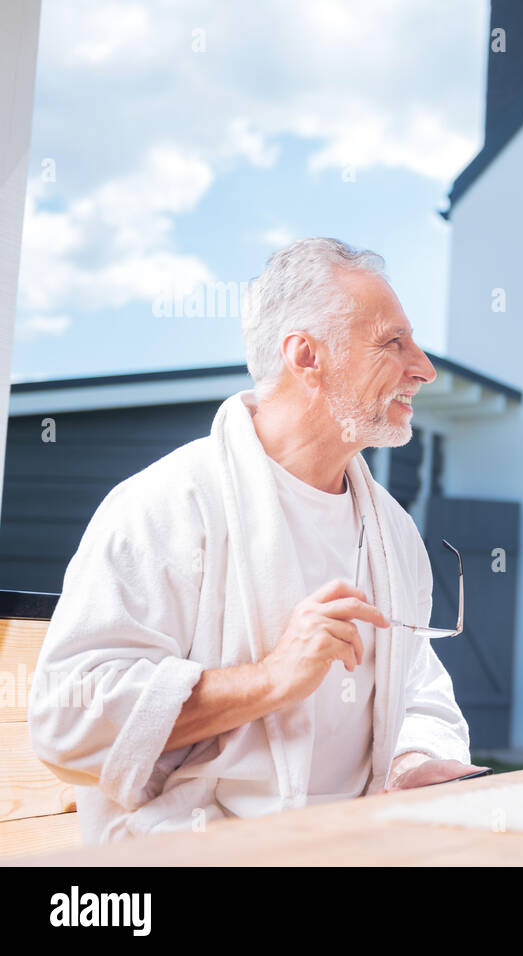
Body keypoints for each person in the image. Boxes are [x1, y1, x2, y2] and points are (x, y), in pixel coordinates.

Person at [29, 238, 486, 843]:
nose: (424, 368)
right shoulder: (168, 505)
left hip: (353, 847)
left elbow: (417, 691)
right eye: (392, 343)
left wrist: (412, 761)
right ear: (306, 356)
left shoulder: (393, 533)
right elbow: (68, 717)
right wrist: (272, 677)